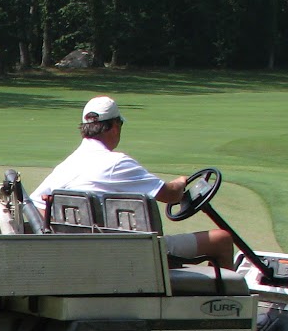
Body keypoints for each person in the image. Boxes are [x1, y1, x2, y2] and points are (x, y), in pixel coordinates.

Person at [30, 95, 235, 268]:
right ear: (114, 127)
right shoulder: (117, 163)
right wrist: (181, 182)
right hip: (131, 256)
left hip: (87, 255)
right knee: (222, 239)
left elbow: (34, 206)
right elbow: (171, 194)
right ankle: (224, 309)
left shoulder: (68, 165)